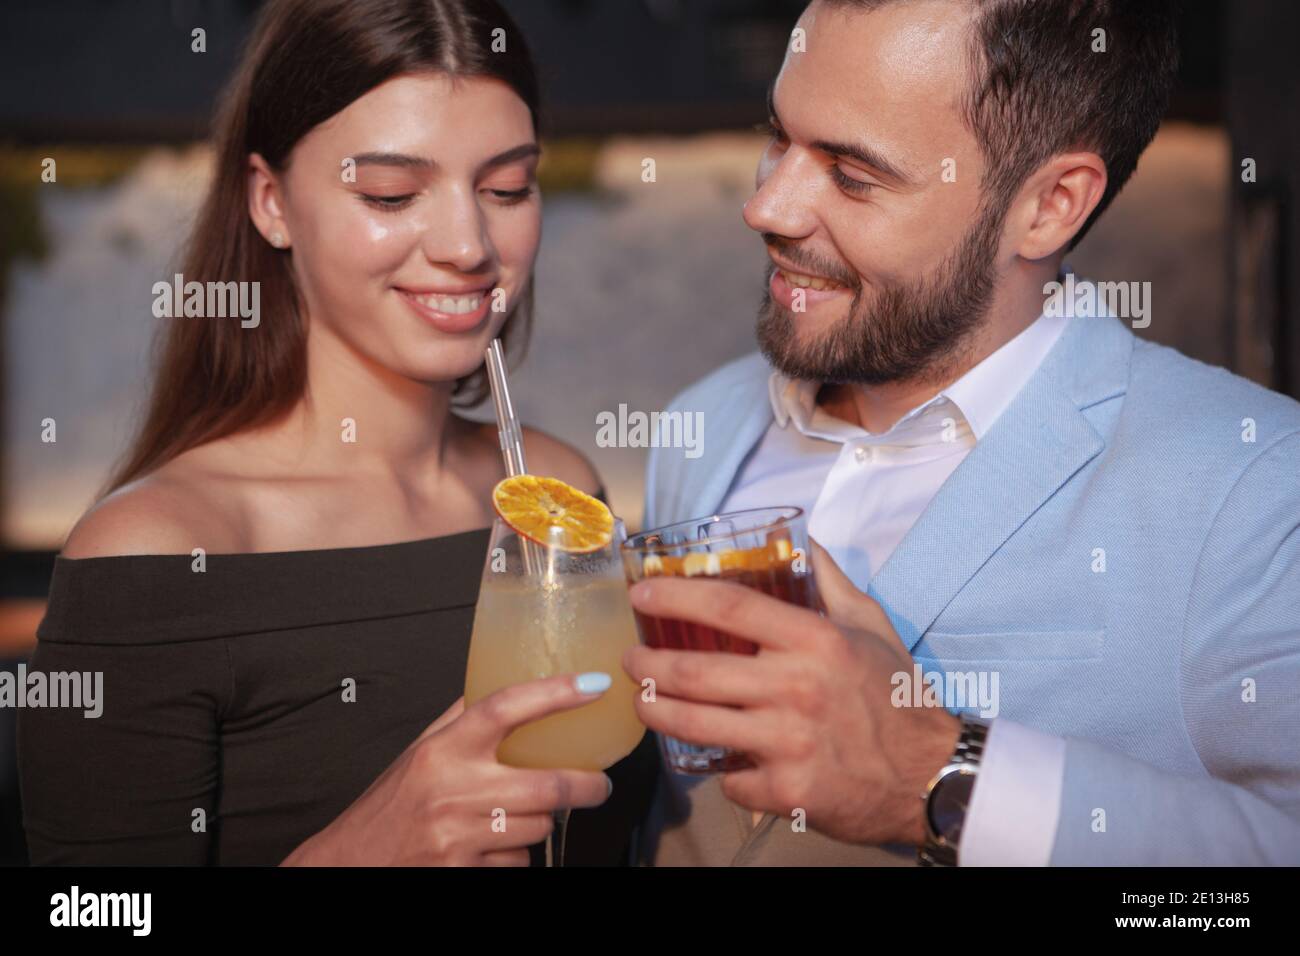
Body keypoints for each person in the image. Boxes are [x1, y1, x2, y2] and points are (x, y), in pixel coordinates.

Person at [629, 0, 1300, 866]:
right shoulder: (701, 422)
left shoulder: (1258, 485)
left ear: (1050, 207)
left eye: (853, 175)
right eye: (778, 136)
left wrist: (936, 774)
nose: (768, 206)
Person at [18, 0, 657, 867]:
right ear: (271, 202)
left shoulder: (557, 487)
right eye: (391, 194)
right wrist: (363, 850)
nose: (469, 244)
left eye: (507, 187)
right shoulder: (156, 550)